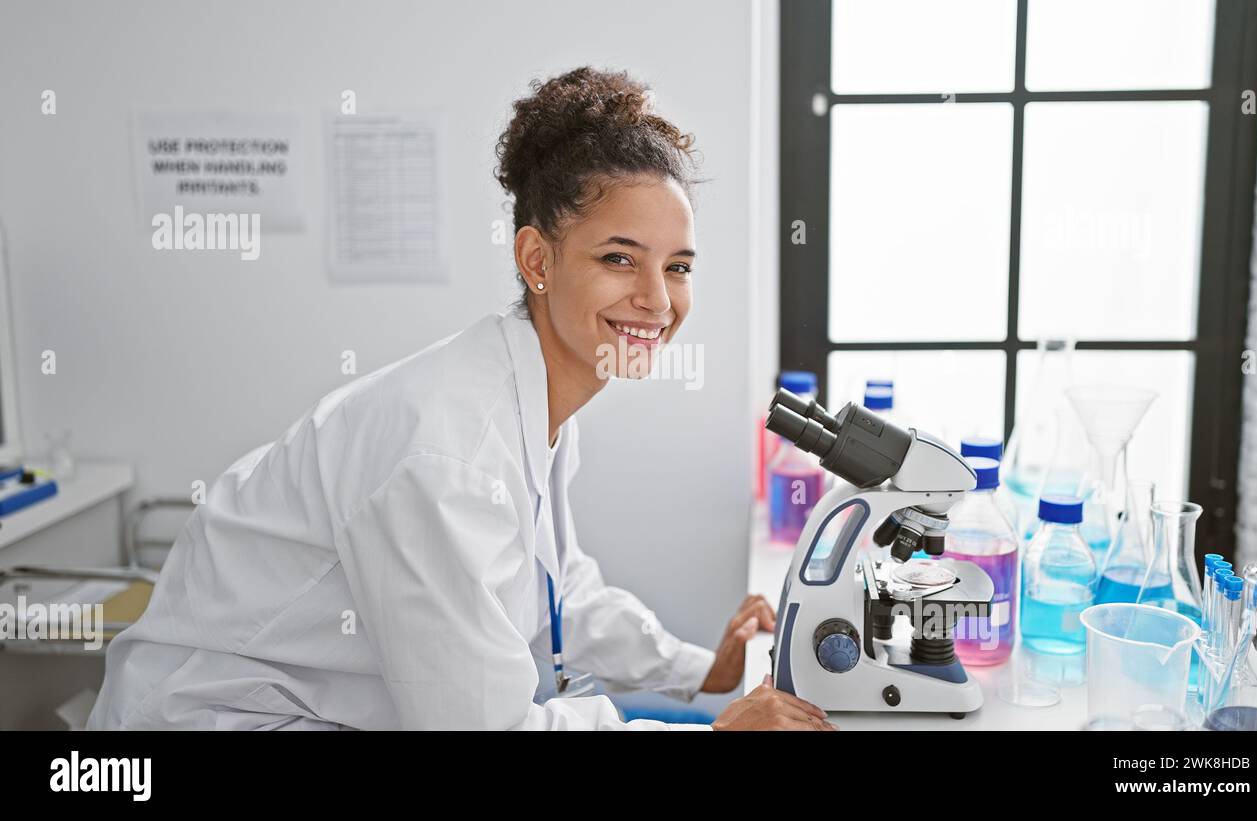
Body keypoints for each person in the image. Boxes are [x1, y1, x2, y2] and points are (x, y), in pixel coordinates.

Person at [89, 67, 832, 731]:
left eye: (678, 267)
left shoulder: (530, 398)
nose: (656, 299)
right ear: (537, 259)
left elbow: (558, 588)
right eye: (618, 259)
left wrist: (700, 669)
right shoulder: (450, 452)